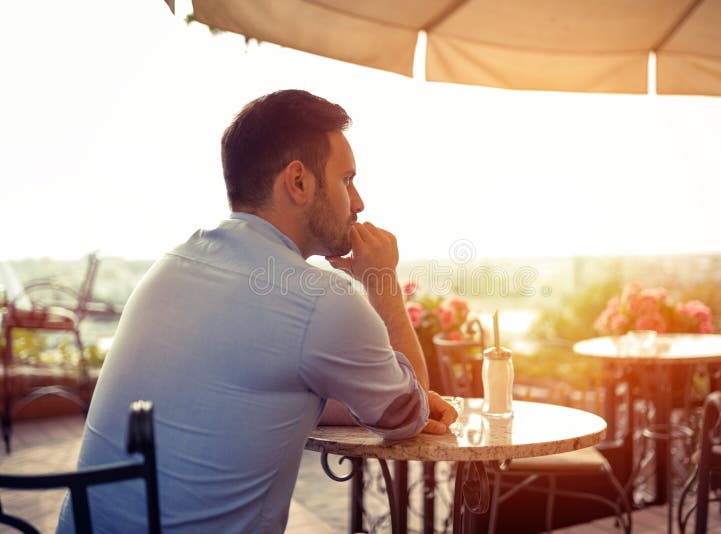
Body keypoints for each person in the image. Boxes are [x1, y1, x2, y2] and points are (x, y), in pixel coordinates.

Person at [57, 89, 457, 533]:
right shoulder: (321, 300)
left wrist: (370, 398)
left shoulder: (173, 265)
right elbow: (410, 416)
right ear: (299, 182)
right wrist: (381, 283)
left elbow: (243, 392)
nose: (358, 201)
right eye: (347, 179)